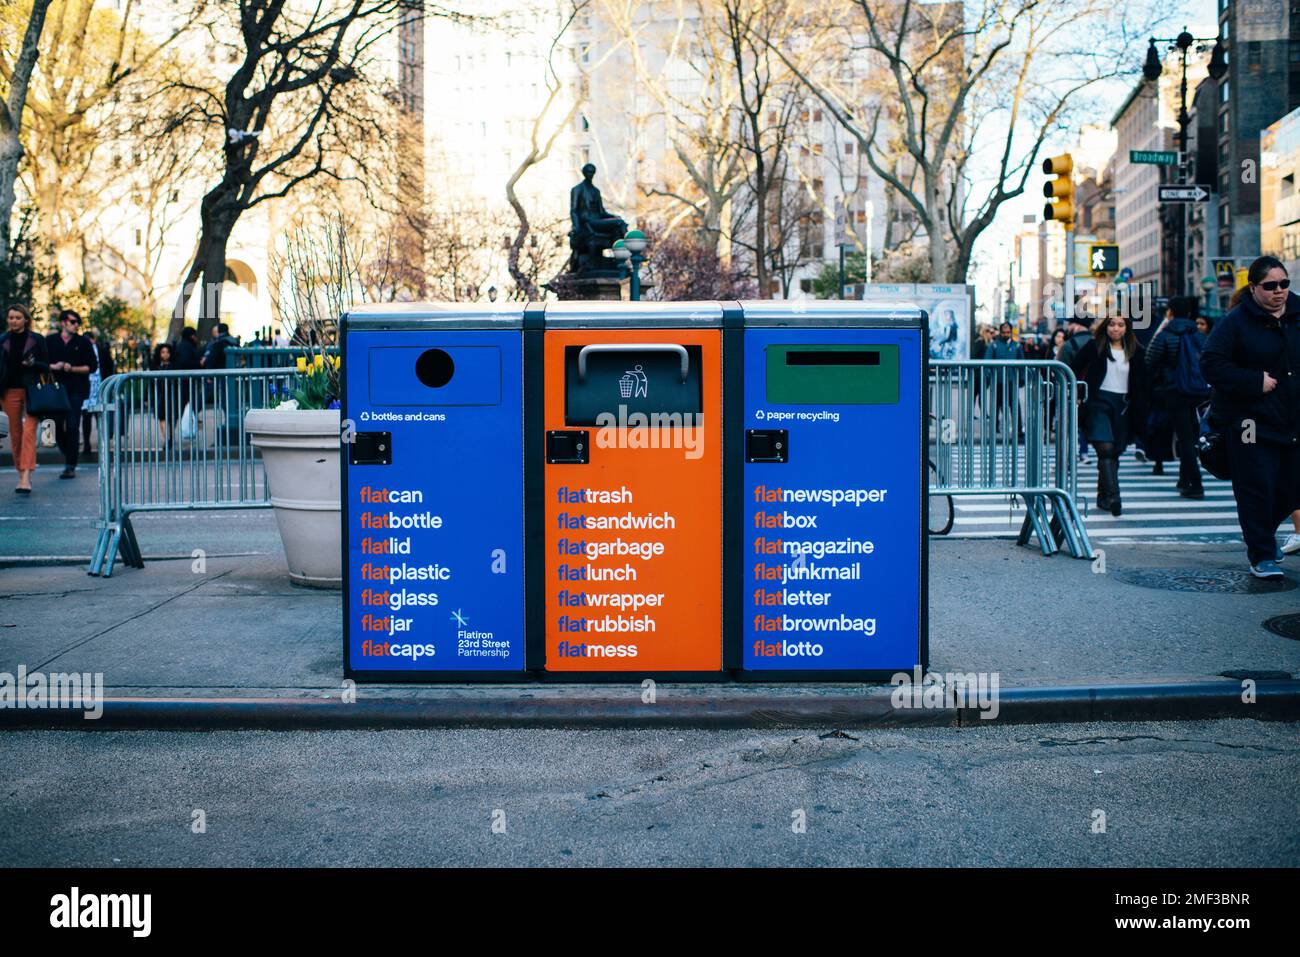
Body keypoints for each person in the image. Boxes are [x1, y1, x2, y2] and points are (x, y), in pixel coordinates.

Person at [1200, 255, 1300, 579]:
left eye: (1284, 284)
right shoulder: (1236, 322)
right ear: (1254, 287)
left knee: (1291, 486)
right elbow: (1211, 363)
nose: (1279, 291)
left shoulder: (1298, 314)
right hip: (1248, 421)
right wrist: (1253, 381)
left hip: (1292, 418)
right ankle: (1261, 554)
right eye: (1270, 286)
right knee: (1254, 485)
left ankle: (1263, 535)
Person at [1071, 315, 1149, 517]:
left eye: (1121, 325)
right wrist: (1078, 394)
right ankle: (1115, 497)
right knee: (1105, 448)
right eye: (1112, 324)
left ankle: (1103, 496)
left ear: (1127, 328)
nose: (1116, 329)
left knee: (1114, 451)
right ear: (1105, 327)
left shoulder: (1136, 351)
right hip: (1098, 403)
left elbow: (1143, 382)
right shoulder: (1094, 346)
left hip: (1123, 406)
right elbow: (1073, 367)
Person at [1145, 296, 1206, 497]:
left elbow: (1150, 360)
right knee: (1191, 435)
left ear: (1170, 312)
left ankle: (1195, 483)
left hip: (1173, 391)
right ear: (1189, 313)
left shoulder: (1166, 335)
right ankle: (1184, 479)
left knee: (1184, 437)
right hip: (1197, 392)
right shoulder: (1199, 335)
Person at [0, 304, 50, 494]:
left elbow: (46, 365)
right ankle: (20, 473)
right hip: (9, 391)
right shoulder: (2, 340)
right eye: (11, 317)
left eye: (18, 317)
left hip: (32, 391)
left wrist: (33, 364)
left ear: (26, 319)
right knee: (15, 434)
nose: (14, 321)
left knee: (29, 432)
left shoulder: (37, 340)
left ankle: (26, 477)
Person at [44, 308, 97, 479]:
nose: (76, 325)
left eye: (77, 323)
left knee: (73, 425)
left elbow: (92, 367)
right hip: (55, 390)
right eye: (73, 322)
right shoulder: (50, 341)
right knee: (56, 425)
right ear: (63, 323)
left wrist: (71, 368)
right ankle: (69, 452)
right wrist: (54, 366)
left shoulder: (83, 342)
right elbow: (42, 363)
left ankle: (70, 465)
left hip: (76, 389)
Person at [80, 328, 116, 454]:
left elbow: (109, 367)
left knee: (101, 417)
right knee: (86, 418)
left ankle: (103, 442)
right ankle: (87, 443)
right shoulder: (82, 351)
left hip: (100, 387)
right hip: (86, 389)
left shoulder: (102, 351)